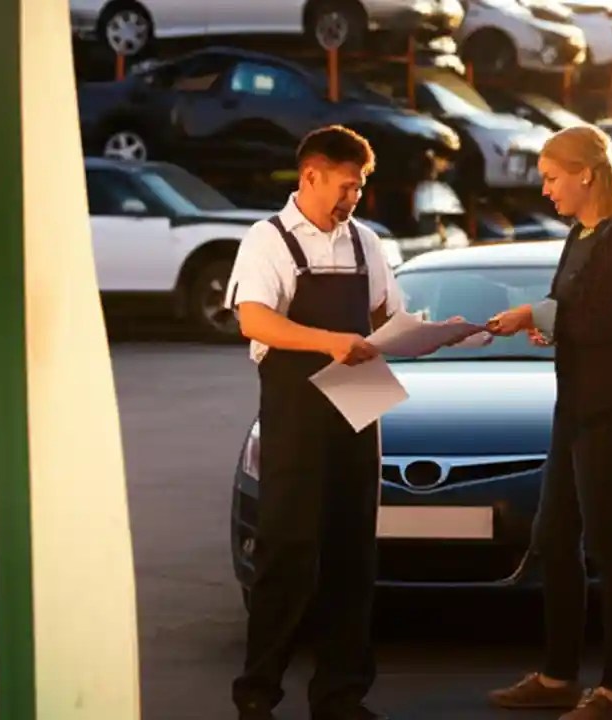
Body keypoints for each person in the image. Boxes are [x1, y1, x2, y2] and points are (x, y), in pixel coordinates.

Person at [484, 125, 612, 720]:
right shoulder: (581, 234)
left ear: (586, 173)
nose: (545, 190)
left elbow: (598, 322)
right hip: (576, 408)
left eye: (552, 177)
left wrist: (536, 315)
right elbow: (571, 311)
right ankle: (558, 677)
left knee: (610, 546)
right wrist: (546, 321)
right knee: (555, 537)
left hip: (611, 412)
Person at [223, 126, 398, 720]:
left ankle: (341, 697)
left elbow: (387, 316)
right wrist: (331, 342)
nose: (353, 198)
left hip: (359, 403)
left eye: (361, 187)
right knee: (287, 553)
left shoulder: (366, 242)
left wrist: (447, 330)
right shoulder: (266, 240)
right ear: (311, 176)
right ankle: (257, 695)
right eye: (347, 186)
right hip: (296, 410)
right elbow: (254, 320)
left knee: (354, 556)